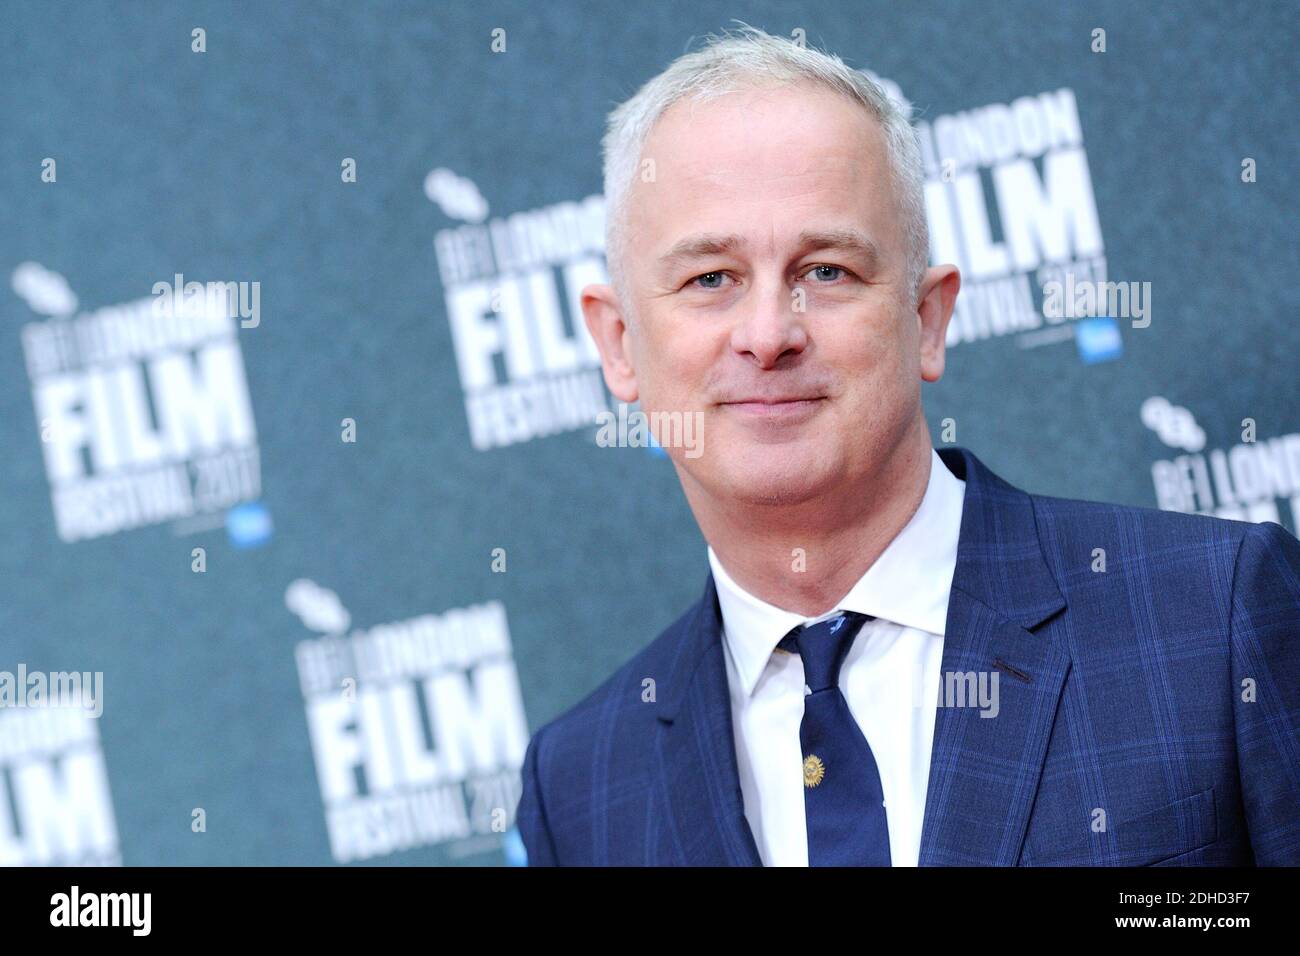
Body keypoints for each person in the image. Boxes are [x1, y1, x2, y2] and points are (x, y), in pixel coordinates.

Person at [514, 25, 1300, 866]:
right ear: (619, 344)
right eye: (711, 278)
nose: (770, 333)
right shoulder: (580, 787)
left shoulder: (1212, 617)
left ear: (926, 321)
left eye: (827, 272)